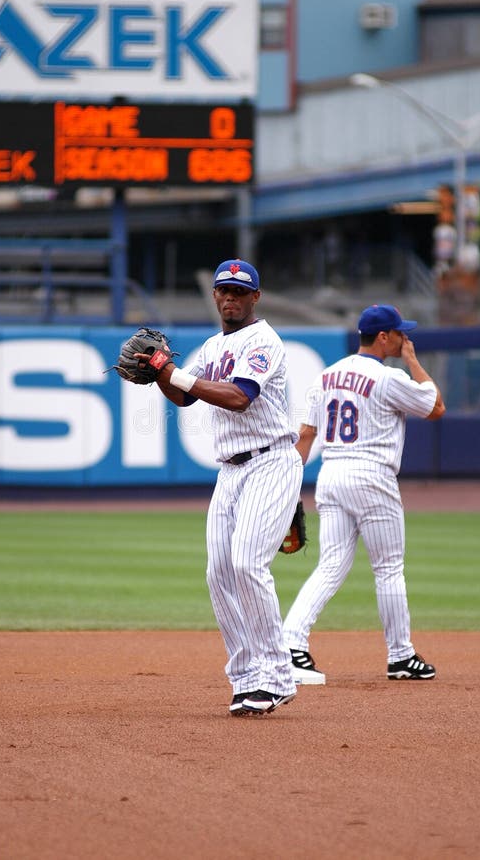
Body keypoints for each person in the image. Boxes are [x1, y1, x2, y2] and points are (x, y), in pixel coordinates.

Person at [139, 259, 302, 716]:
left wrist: (173, 372)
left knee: (247, 563)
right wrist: (159, 374)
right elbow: (184, 396)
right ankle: (247, 677)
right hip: (230, 471)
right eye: (224, 290)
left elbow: (239, 396)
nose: (231, 298)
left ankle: (277, 676)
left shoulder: (263, 340)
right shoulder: (214, 346)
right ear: (214, 295)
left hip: (270, 461)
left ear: (255, 297)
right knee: (219, 573)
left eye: (240, 291)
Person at [283, 304, 446, 684]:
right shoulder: (388, 377)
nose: (405, 339)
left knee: (330, 565)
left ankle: (290, 642)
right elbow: (436, 407)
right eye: (400, 333)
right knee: (388, 568)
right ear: (384, 337)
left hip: (331, 475)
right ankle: (401, 655)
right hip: (371, 476)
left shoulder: (326, 376)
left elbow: (306, 435)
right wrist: (413, 362)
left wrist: (287, 488)